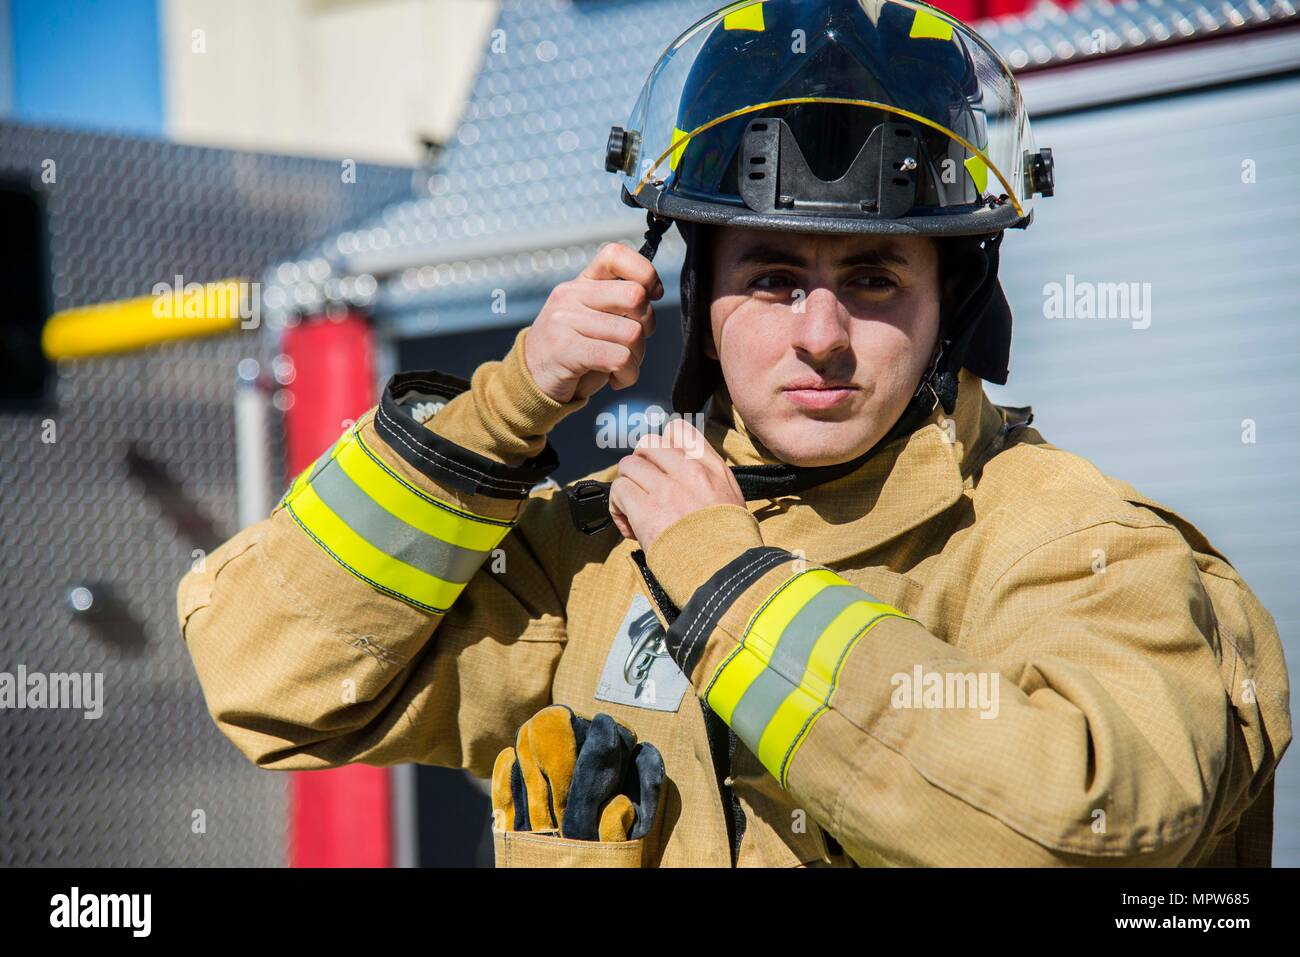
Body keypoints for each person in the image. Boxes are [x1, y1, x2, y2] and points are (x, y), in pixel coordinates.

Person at [176, 0, 1290, 867]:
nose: (820, 336)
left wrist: (724, 583)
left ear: (950, 301)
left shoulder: (1072, 545)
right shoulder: (601, 546)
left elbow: (1069, 824)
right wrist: (506, 406)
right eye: (768, 278)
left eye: (871, 278)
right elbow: (273, 680)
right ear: (696, 298)